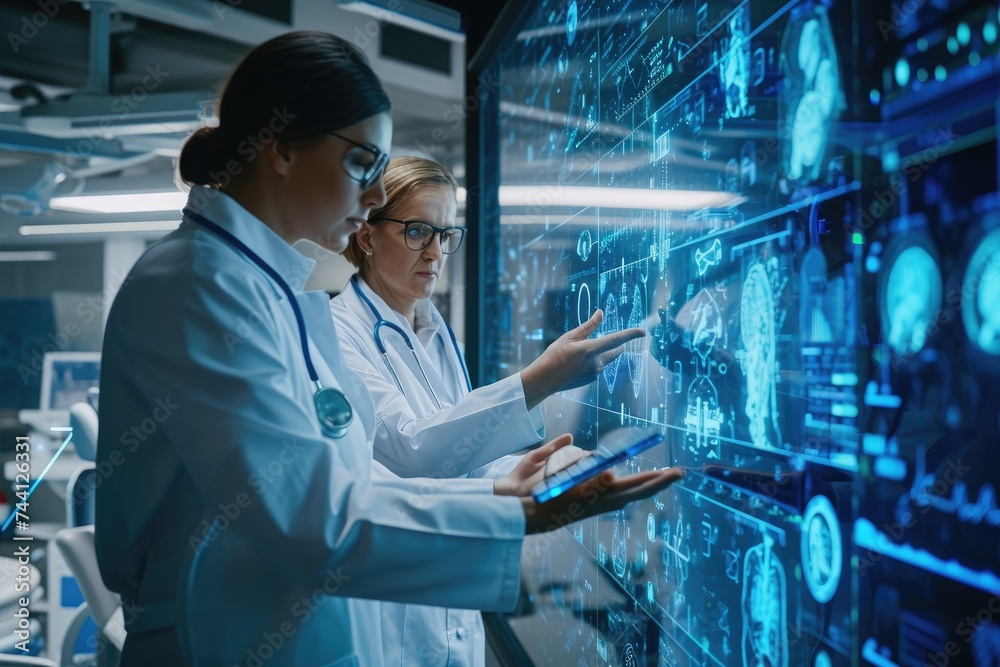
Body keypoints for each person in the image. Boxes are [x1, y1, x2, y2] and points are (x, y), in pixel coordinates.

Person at [94, 31, 683, 667]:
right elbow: (317, 520)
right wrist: (515, 512)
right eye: (361, 165)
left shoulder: (269, 289)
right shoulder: (198, 285)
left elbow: (355, 481)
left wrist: (502, 492)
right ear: (283, 148)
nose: (374, 197)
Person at [331, 156, 648, 666]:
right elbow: (414, 452)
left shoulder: (433, 331)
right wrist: (539, 379)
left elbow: (465, 463)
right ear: (366, 236)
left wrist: (548, 469)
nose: (436, 252)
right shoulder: (337, 332)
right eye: (417, 232)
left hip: (456, 601)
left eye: (445, 235)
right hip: (397, 613)